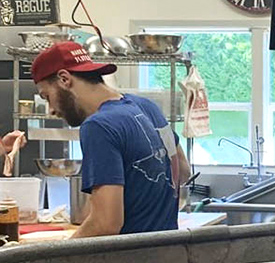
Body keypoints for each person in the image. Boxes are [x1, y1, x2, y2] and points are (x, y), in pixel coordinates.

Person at [32, 41, 191, 238]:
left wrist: (57, 254)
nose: (52, 110)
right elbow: (183, 171)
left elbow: (105, 224)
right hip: (167, 256)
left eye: (47, 97)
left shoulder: (98, 126)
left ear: (64, 79)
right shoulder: (147, 107)